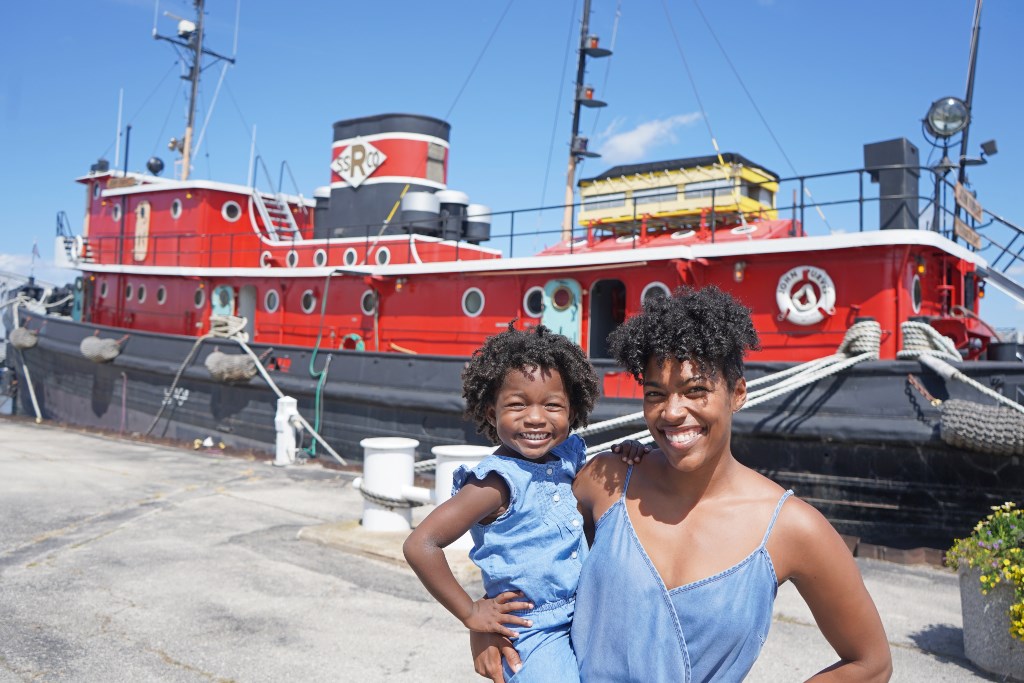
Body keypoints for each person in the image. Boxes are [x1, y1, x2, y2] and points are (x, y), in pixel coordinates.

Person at [471, 287, 893, 682]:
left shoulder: (792, 528)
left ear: (738, 393)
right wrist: (484, 626)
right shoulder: (606, 480)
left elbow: (870, 663)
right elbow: (518, 553)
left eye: (696, 390)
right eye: (655, 394)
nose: (672, 412)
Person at [403, 323, 646, 683]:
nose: (535, 417)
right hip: (532, 630)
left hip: (586, 613)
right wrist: (471, 613)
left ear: (573, 410)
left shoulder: (567, 457)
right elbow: (420, 544)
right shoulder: (496, 483)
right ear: (490, 411)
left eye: (552, 405)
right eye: (517, 405)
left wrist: (631, 451)